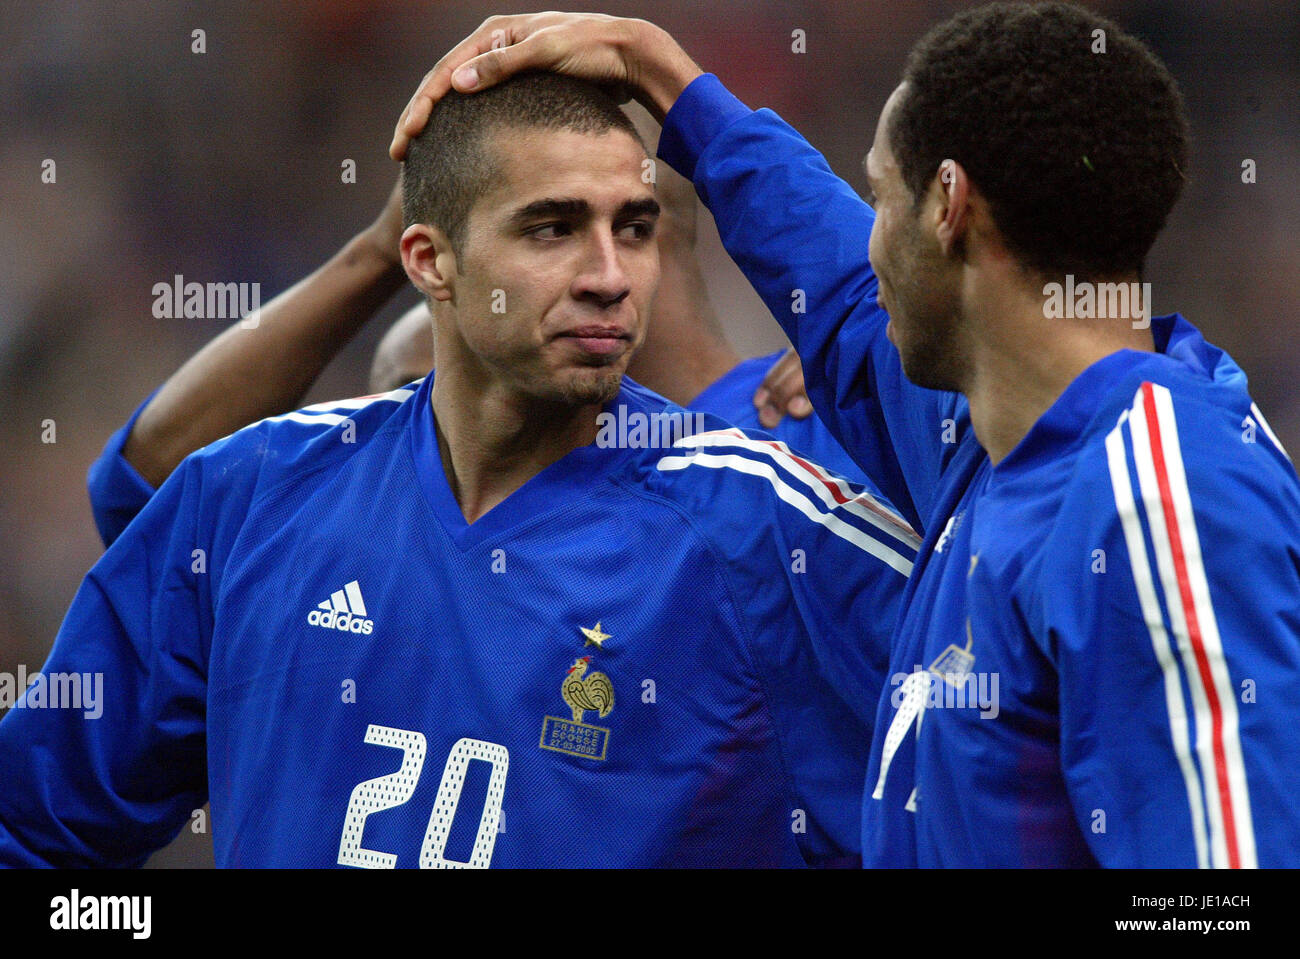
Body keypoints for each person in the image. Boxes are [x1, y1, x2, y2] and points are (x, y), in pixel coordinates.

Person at [392, 5, 1300, 867]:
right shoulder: (996, 439)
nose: (869, 241)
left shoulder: (1159, 495)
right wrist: (668, 84)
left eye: (878, 198)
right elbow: (838, 289)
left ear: (948, 206)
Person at [0, 71, 917, 867]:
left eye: (633, 229)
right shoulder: (248, 492)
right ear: (429, 261)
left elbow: (992, 796)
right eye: (552, 229)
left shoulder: (766, 525)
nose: (608, 274)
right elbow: (34, 825)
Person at [88, 110, 851, 552]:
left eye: (562, 226)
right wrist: (377, 250)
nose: (423, 431)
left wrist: (863, 350)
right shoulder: (388, 504)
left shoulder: (823, 438)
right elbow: (151, 500)